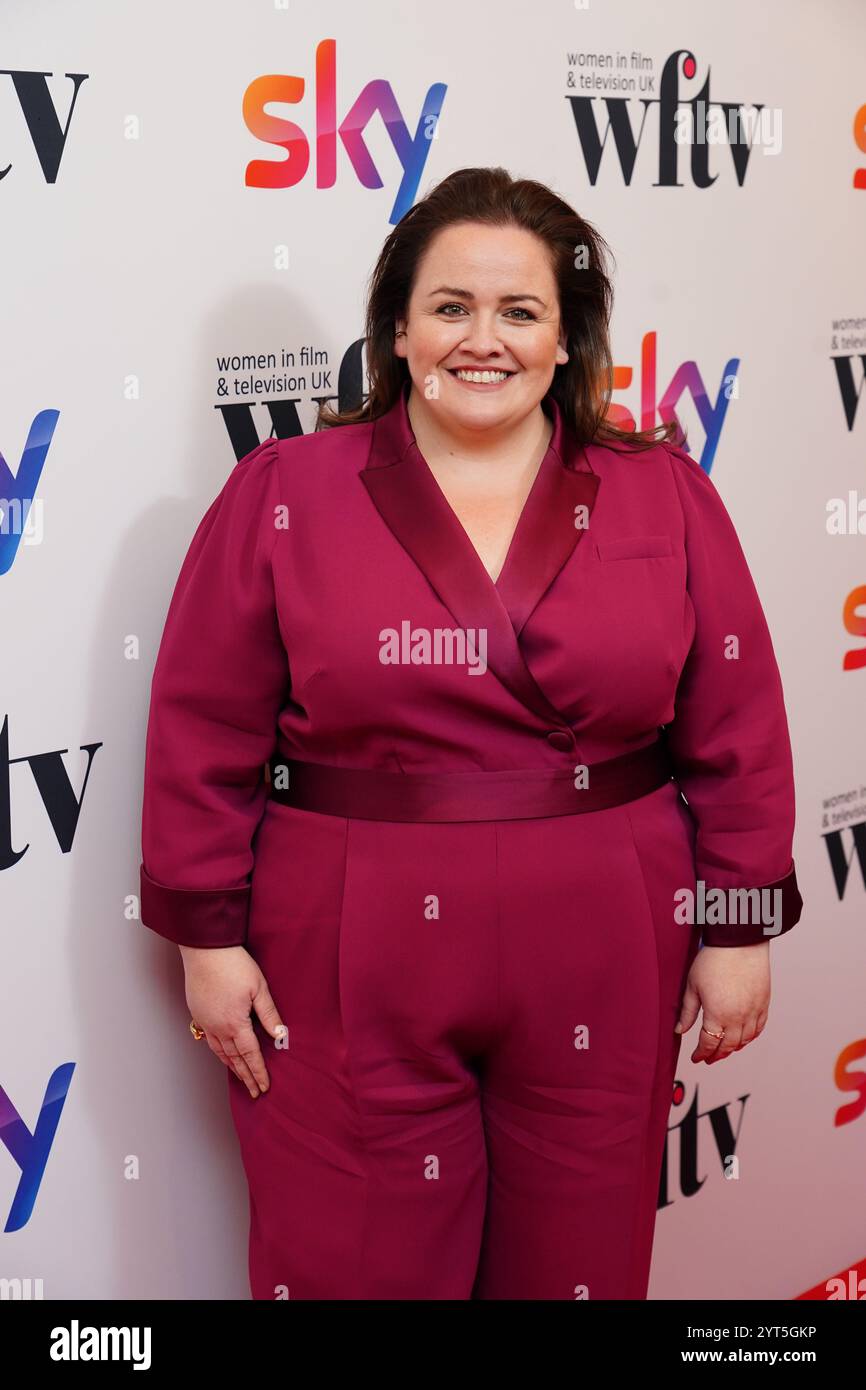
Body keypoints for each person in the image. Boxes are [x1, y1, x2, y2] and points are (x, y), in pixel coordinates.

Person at [138, 166, 803, 1301]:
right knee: (352, 1263)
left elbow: (733, 727)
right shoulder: (283, 490)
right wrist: (205, 937)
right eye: (449, 307)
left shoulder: (664, 495)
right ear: (396, 328)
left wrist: (737, 925)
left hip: (603, 930)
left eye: (518, 311)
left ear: (563, 339)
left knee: (579, 1262)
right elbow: (203, 726)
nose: (479, 340)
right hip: (343, 945)